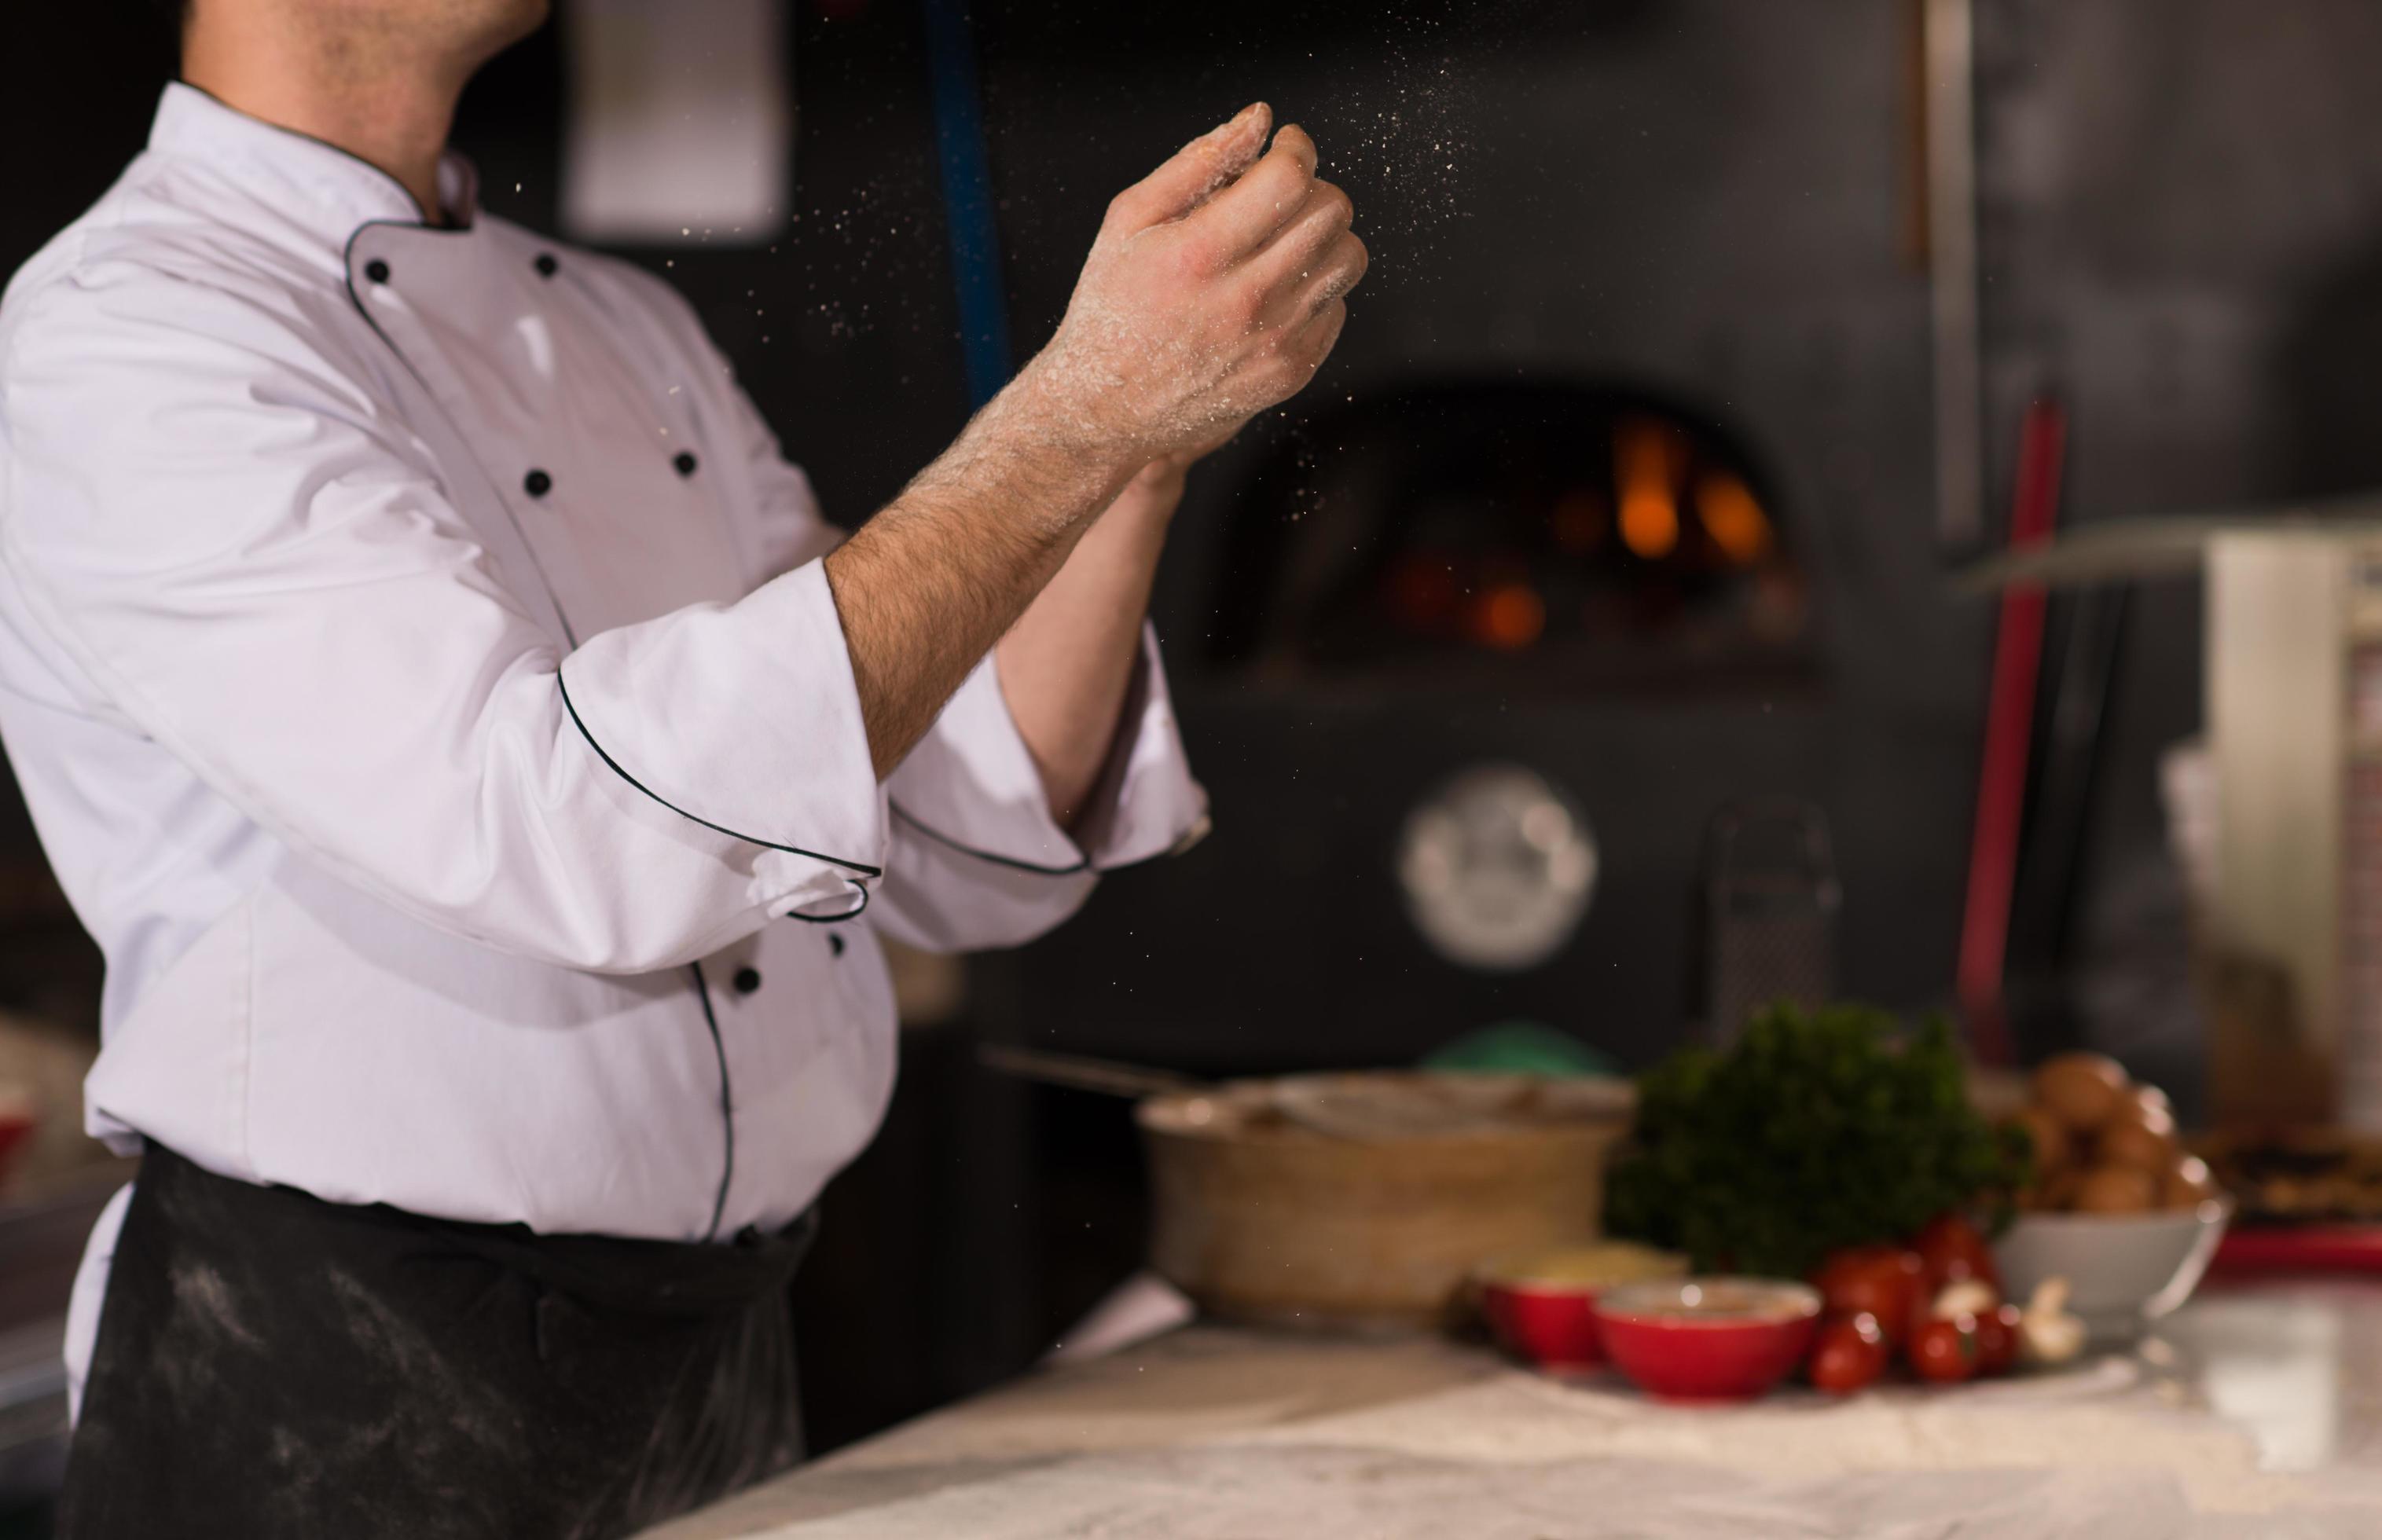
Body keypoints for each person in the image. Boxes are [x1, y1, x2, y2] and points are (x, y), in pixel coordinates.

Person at [0, 0, 1364, 1530]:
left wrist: (1139, 449)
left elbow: (944, 834)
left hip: (723, 1354)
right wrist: (1074, 415)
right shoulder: (130, 327)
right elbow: (566, 828)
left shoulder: (616, 326)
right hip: (333, 1386)